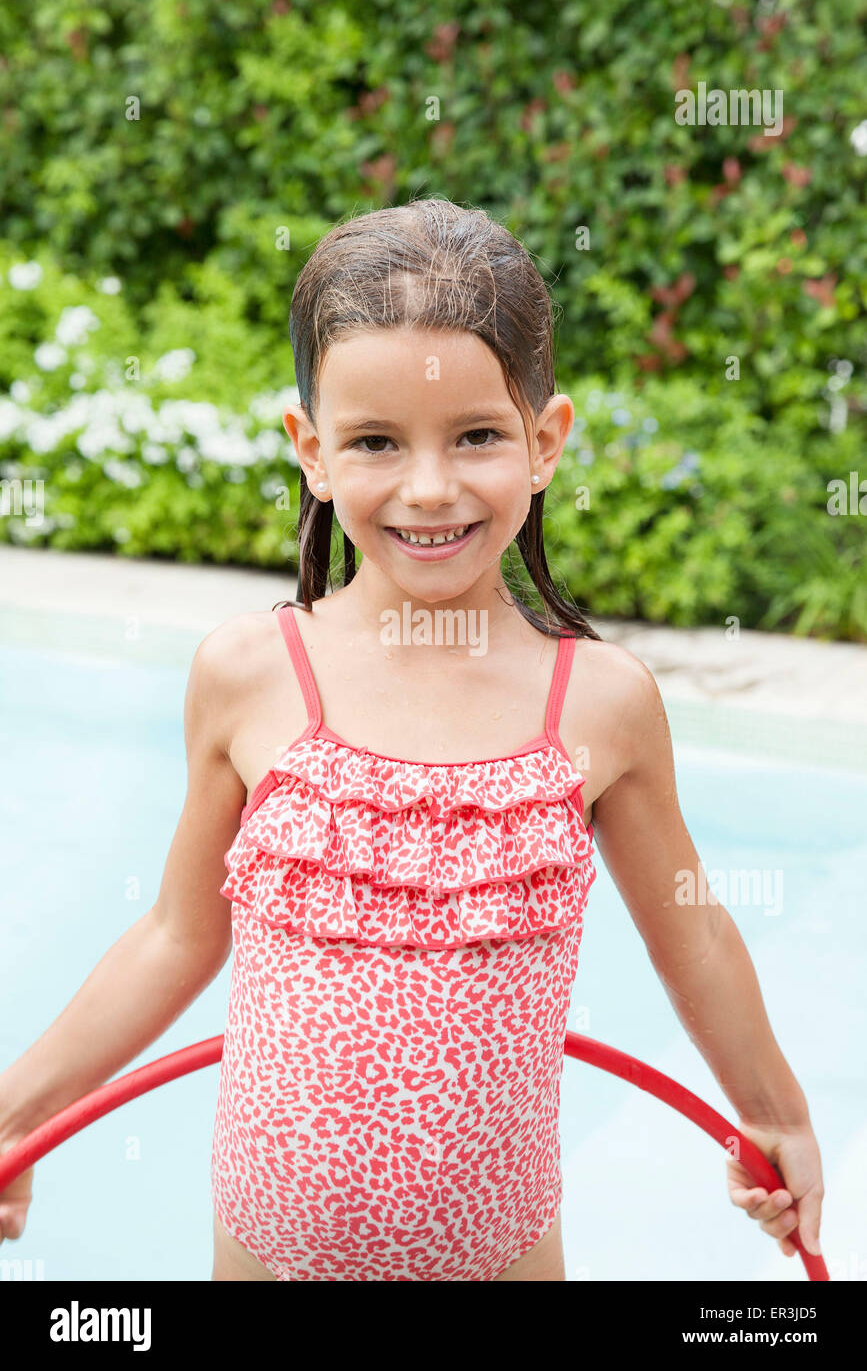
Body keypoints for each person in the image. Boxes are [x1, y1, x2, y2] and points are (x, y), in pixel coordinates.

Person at [0, 197, 823, 1281]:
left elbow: (696, 937)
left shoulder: (598, 704)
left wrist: (781, 1116)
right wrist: (16, 1116)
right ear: (313, 452)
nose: (429, 488)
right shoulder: (253, 677)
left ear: (545, 440)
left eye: (476, 435)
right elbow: (175, 935)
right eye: (377, 442)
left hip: (504, 1256)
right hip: (270, 1257)